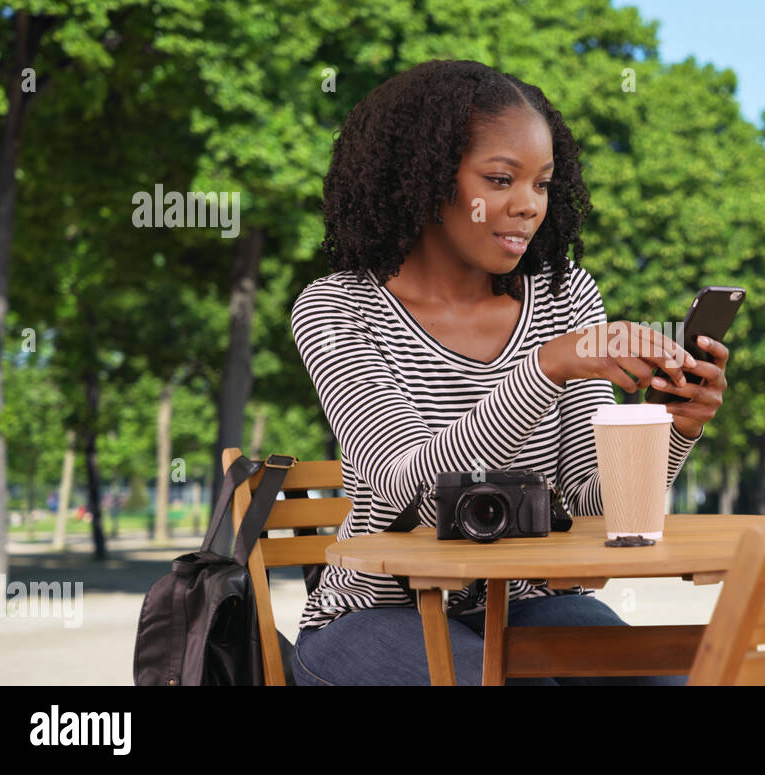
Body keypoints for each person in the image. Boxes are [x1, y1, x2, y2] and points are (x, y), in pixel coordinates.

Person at [289, 60, 730, 686]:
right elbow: (400, 481)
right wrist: (545, 368)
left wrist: (671, 428)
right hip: (376, 616)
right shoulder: (340, 308)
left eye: (542, 185)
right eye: (500, 179)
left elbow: (589, 506)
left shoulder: (565, 298)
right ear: (426, 179)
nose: (528, 206)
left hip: (527, 603)